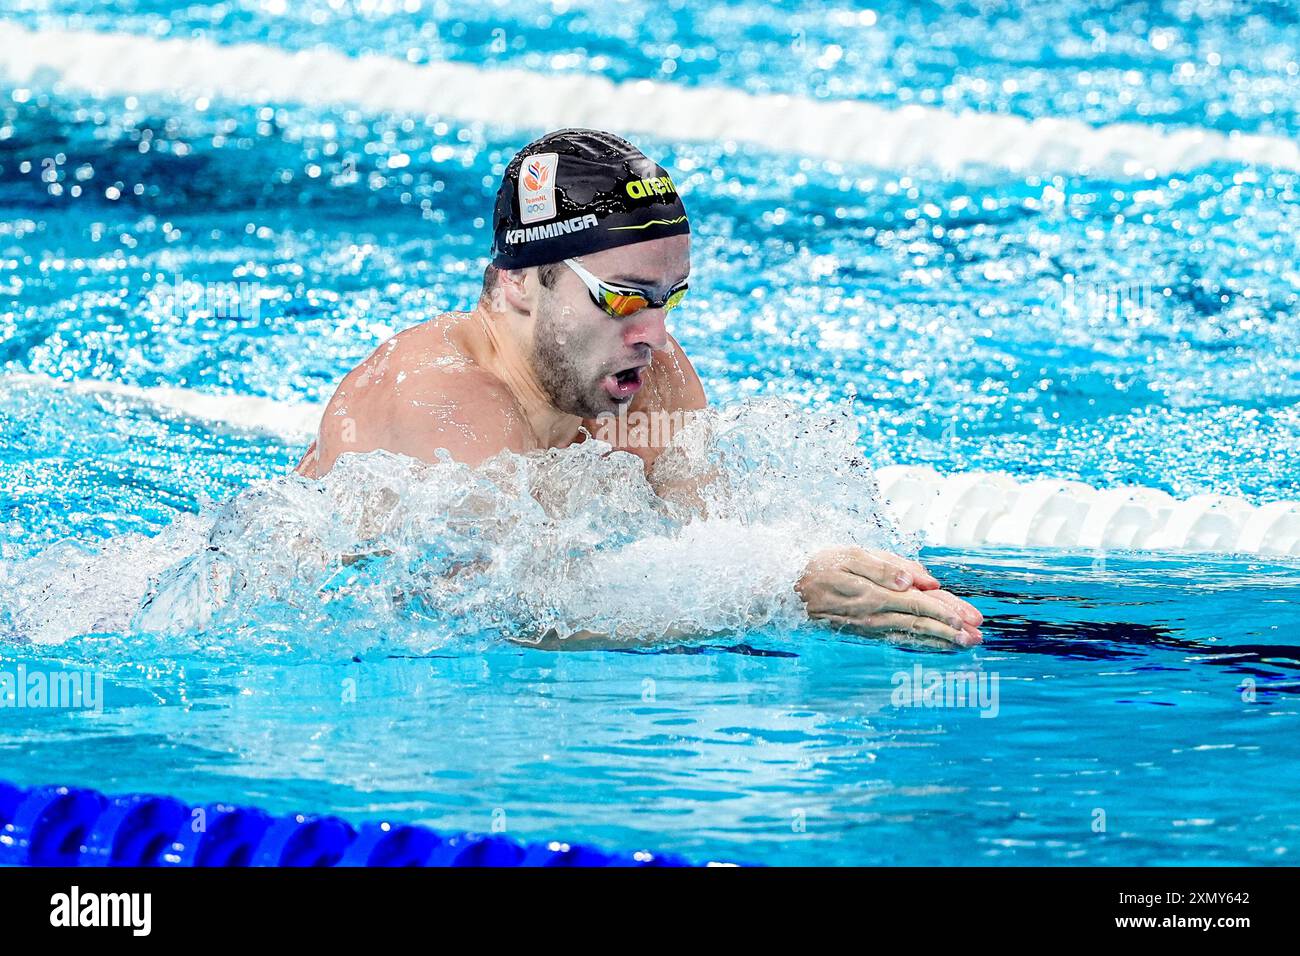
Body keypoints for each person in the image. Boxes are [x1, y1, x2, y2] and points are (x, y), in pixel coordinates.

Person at [295, 128, 983, 648]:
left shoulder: (643, 371)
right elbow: (517, 611)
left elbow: (710, 529)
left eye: (669, 299)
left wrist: (846, 579)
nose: (653, 334)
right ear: (519, 284)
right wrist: (778, 588)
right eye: (622, 299)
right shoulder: (440, 398)